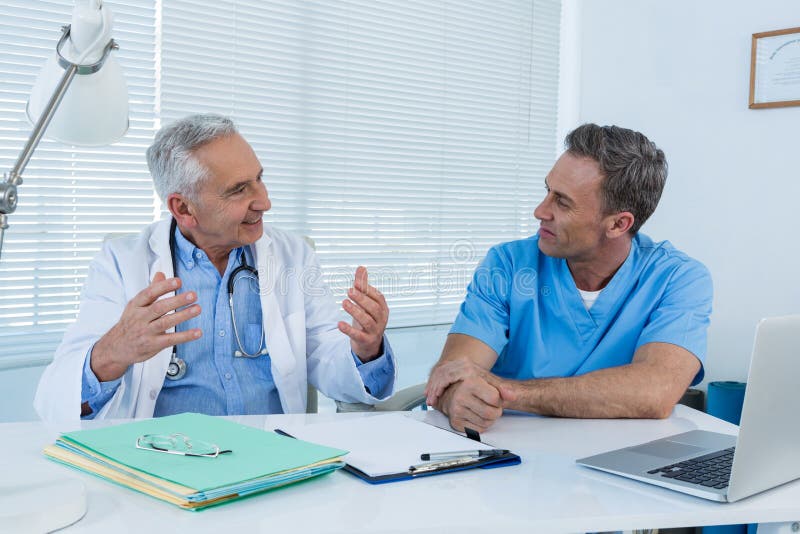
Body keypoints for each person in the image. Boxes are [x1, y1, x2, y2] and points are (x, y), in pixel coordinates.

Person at [34, 113, 396, 422]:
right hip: (166, 467)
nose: (264, 201)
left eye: (259, 178)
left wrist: (365, 349)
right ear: (184, 208)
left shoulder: (291, 256)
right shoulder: (121, 264)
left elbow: (328, 358)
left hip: (274, 461)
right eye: (239, 190)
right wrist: (115, 350)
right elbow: (56, 398)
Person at [425, 123, 712, 432]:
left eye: (562, 202)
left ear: (618, 224)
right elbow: (453, 373)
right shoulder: (508, 264)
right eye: (547, 191)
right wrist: (456, 396)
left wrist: (510, 392)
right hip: (506, 452)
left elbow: (655, 392)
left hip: (612, 459)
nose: (540, 211)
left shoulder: (678, 279)